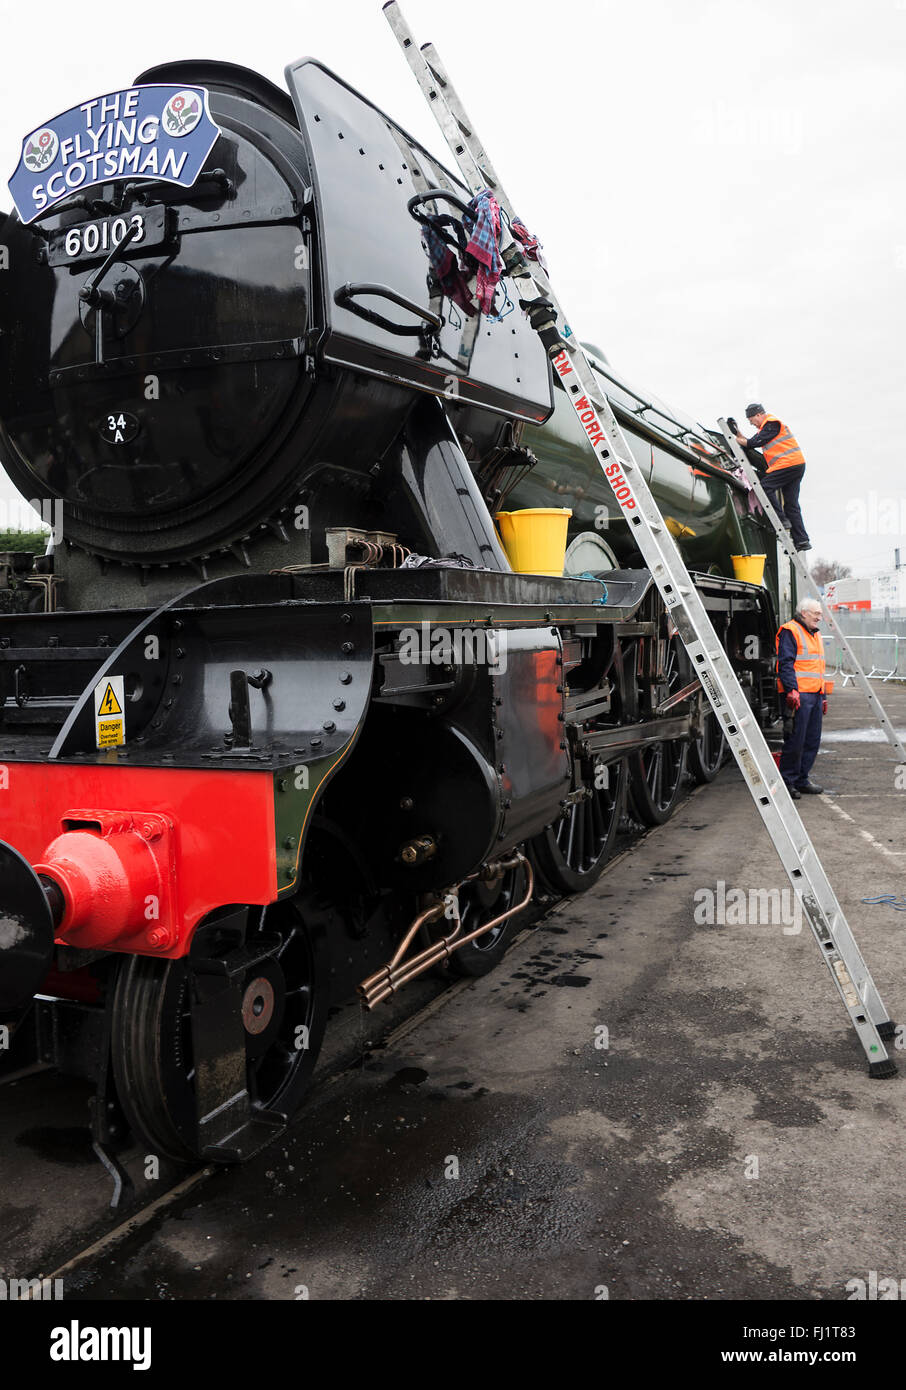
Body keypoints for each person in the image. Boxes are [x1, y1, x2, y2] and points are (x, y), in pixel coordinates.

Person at [735, 404, 811, 551]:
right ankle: (802, 540)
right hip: (795, 465)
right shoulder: (768, 428)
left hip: (787, 464)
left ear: (758, 415)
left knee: (765, 487)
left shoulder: (771, 423)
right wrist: (740, 436)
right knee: (791, 504)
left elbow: (754, 442)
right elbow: (752, 440)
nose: (752, 424)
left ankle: (781, 520)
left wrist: (735, 439)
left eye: (751, 420)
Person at [775, 598, 827, 799]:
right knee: (795, 740)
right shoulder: (790, 631)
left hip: (814, 695)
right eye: (816, 613)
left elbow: (817, 668)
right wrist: (791, 690)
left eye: (820, 614)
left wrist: (822, 696)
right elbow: (785, 664)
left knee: (812, 740)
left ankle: (802, 779)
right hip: (798, 696)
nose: (819, 618)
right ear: (804, 613)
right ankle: (788, 782)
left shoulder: (816, 634)